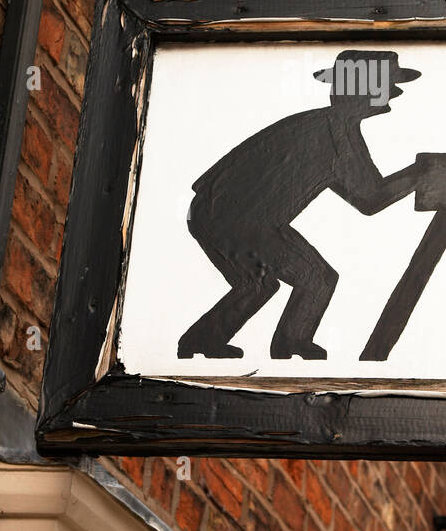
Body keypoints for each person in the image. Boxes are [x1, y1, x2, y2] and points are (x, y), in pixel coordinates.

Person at [177, 50, 421, 360]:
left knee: (263, 283)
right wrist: (419, 175)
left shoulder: (329, 125)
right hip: (230, 216)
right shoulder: (333, 132)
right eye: (388, 86)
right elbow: (371, 199)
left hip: (226, 214)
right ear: (365, 91)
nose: (393, 94)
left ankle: (208, 341)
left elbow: (366, 196)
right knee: (306, 279)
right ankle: (287, 343)